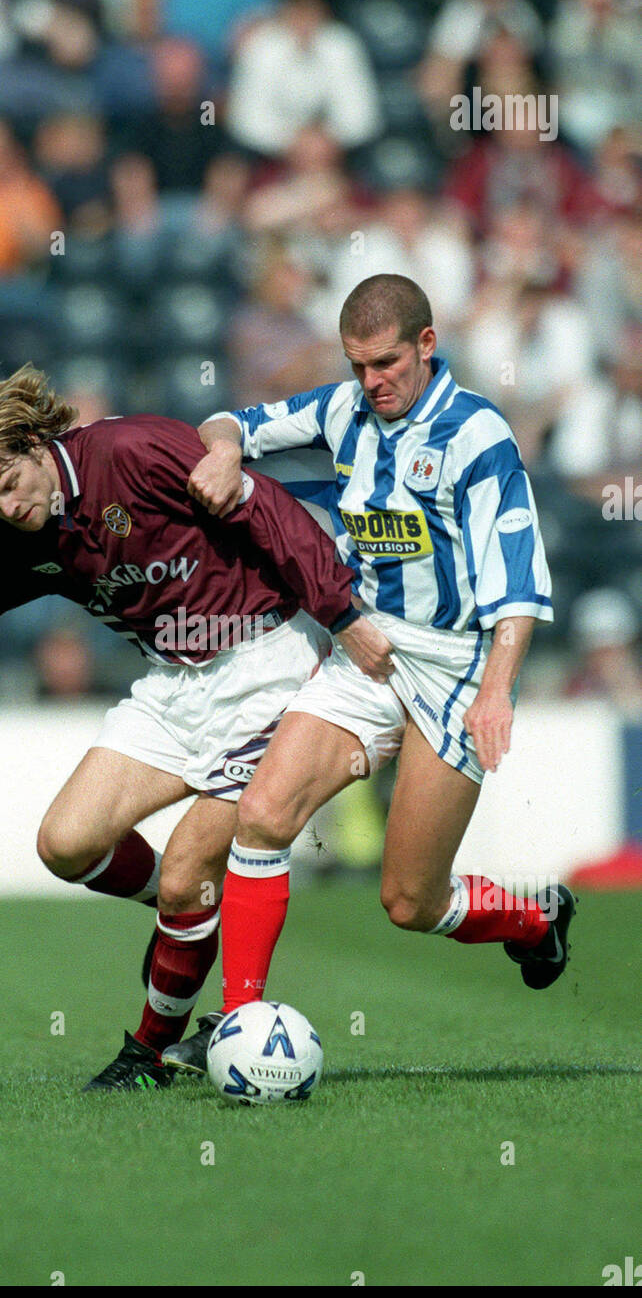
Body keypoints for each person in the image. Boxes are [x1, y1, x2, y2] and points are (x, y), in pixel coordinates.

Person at [0, 364, 360, 1091]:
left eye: (10, 483)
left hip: (269, 663)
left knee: (185, 872)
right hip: (175, 683)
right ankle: (188, 922)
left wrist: (341, 612)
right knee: (67, 843)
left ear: (30, 442)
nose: (9, 506)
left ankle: (148, 1054)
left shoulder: (132, 451)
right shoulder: (6, 535)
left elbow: (266, 508)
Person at [163, 273, 575, 1078]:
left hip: (455, 668)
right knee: (263, 815)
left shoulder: (477, 435)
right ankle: (240, 1023)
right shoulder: (342, 409)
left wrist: (497, 689)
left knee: (408, 903)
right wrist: (219, 448)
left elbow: (517, 579)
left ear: (427, 344)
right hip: (369, 649)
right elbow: (232, 423)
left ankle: (533, 919)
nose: (370, 382)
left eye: (385, 363)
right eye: (357, 366)